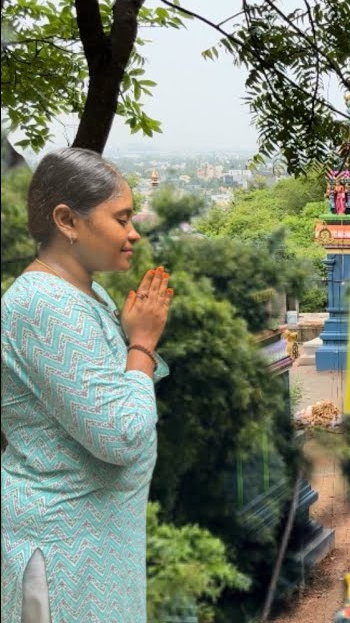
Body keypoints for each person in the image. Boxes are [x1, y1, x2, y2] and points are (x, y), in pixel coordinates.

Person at [2, 147, 174, 620]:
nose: (133, 233)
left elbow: (112, 390)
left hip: (95, 537)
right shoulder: (44, 306)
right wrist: (141, 343)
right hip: (63, 545)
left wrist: (136, 344)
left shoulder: (85, 293)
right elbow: (120, 434)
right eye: (120, 219)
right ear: (67, 220)